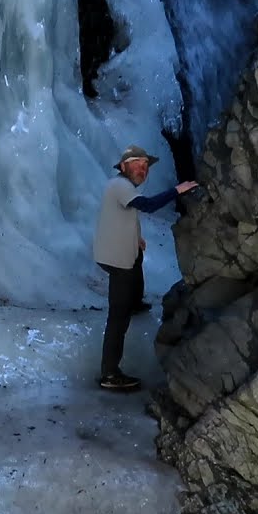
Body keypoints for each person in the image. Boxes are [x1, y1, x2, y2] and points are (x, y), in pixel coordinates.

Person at [93, 145, 198, 390]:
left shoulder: (123, 187)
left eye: (146, 165)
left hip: (120, 253)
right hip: (117, 259)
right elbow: (147, 206)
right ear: (123, 166)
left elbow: (127, 214)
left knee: (137, 259)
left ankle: (136, 301)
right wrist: (177, 190)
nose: (143, 169)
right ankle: (110, 373)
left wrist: (137, 237)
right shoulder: (120, 185)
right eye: (138, 163)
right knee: (118, 318)